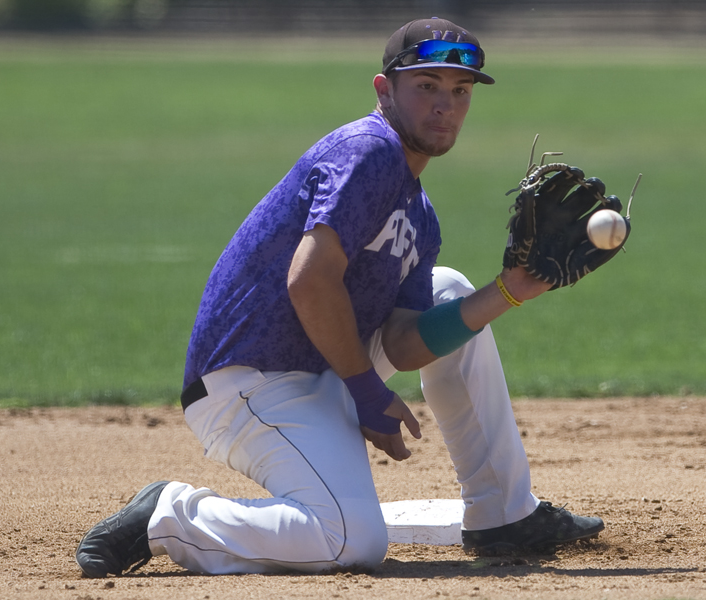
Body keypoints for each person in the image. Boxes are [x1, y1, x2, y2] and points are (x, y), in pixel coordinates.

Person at [75, 17, 603, 577]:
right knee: (348, 540)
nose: (444, 105)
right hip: (252, 379)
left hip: (320, 369)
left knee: (450, 289)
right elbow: (309, 280)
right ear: (384, 90)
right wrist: (368, 393)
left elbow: (401, 343)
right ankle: (169, 514)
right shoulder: (368, 152)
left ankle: (504, 513)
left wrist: (512, 291)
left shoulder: (421, 217)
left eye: (460, 90)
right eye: (426, 86)